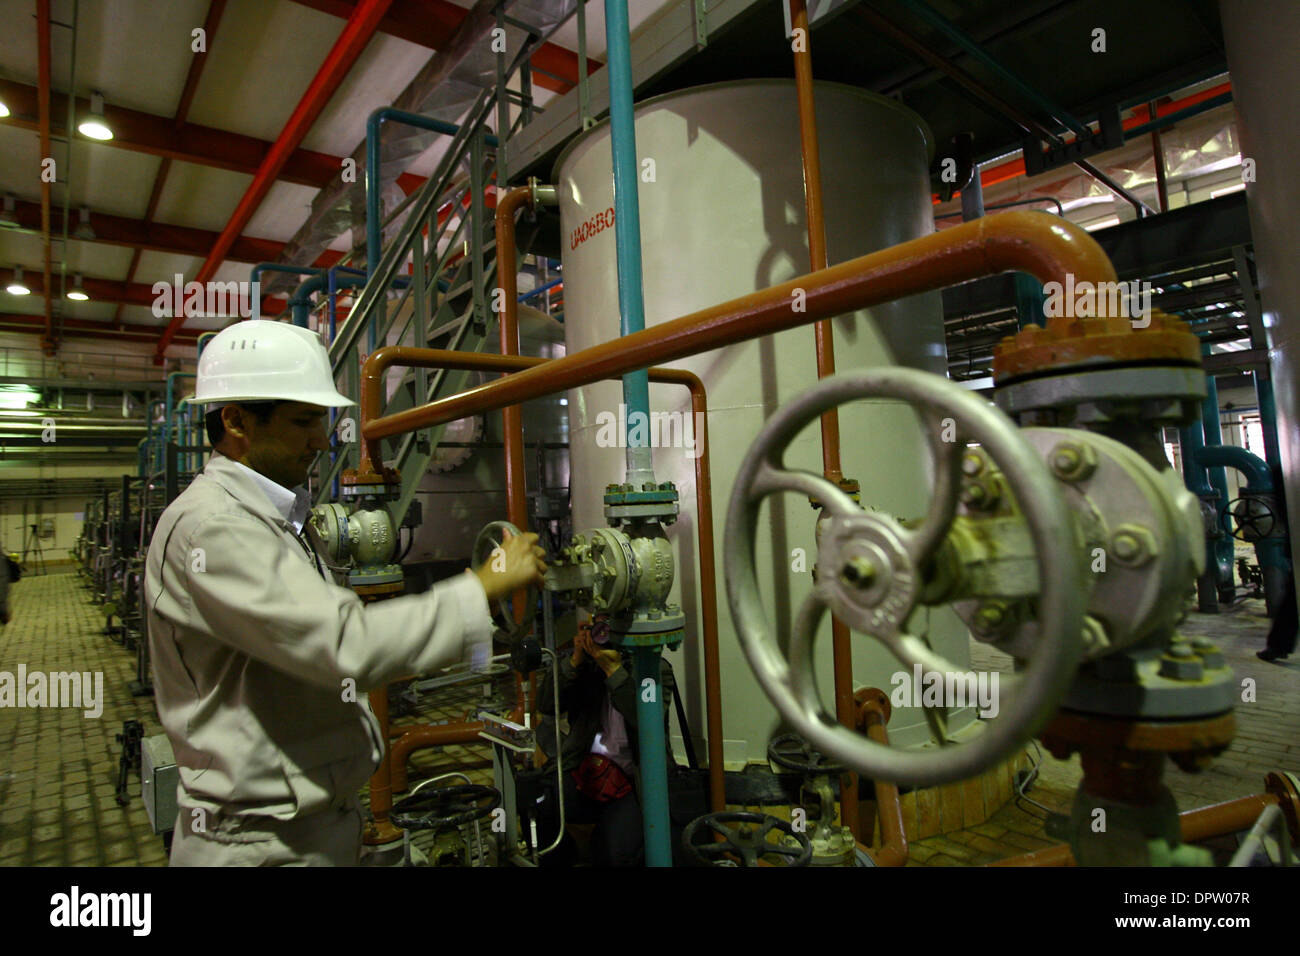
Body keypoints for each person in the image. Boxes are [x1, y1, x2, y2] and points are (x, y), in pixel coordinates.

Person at [145, 320, 545, 866]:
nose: (320, 438)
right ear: (236, 421)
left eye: (323, 420)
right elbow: (345, 645)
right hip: (260, 845)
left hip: (307, 825)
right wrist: (481, 586)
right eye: (304, 420)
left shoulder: (272, 514)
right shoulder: (213, 528)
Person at [533, 623, 675, 866]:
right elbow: (546, 704)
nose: (603, 635)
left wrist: (614, 671)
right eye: (597, 627)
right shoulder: (587, 668)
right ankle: (560, 858)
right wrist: (574, 661)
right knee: (537, 800)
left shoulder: (653, 670)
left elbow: (644, 720)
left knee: (612, 851)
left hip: (633, 782)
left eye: (609, 627)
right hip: (586, 770)